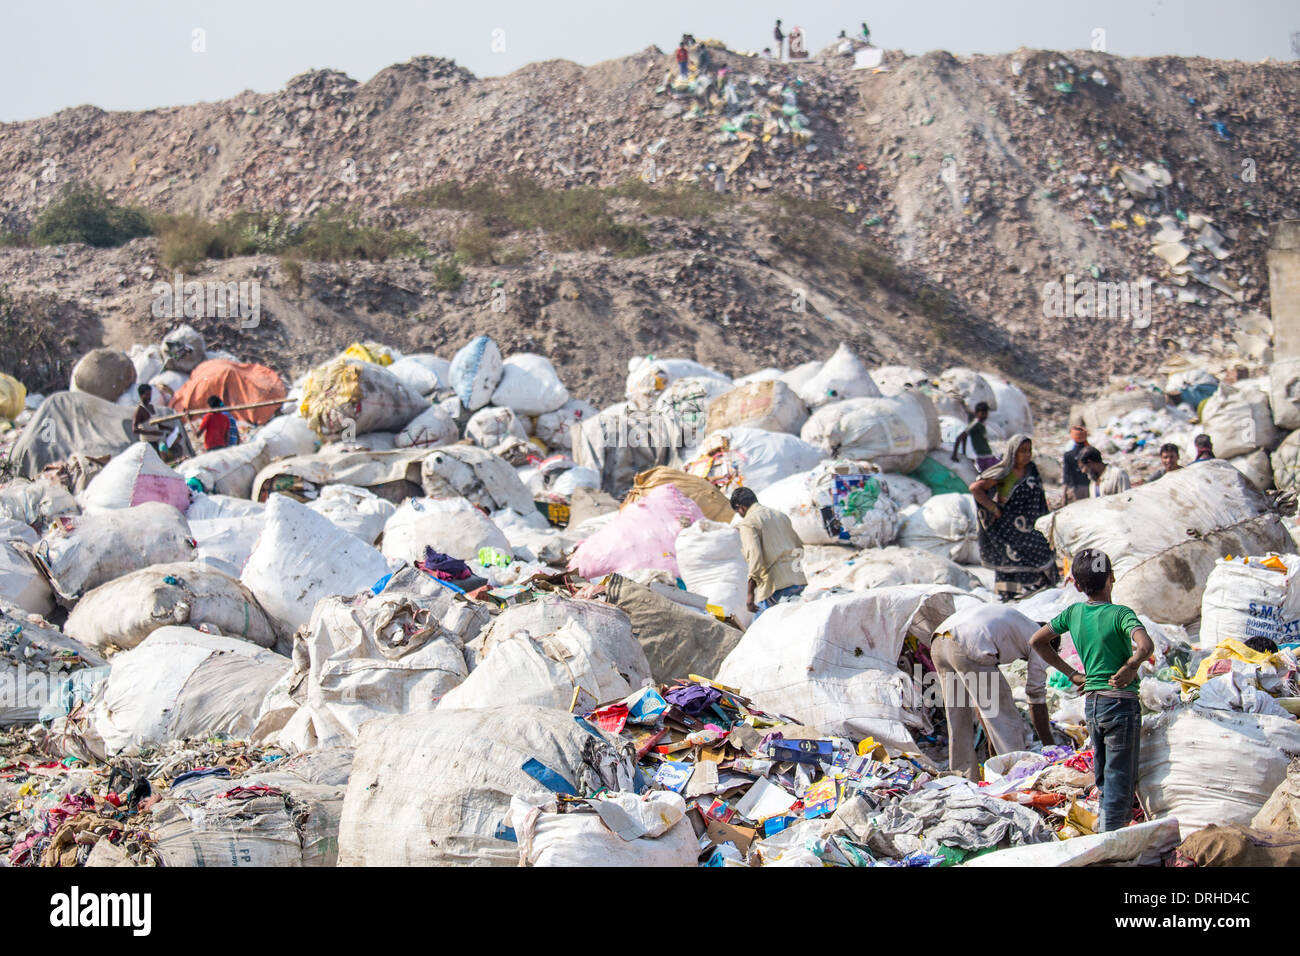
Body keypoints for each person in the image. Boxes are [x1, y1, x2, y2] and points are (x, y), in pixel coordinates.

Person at [1029, 549, 1154, 832]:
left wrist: (1072, 673)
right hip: (1120, 705)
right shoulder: (1121, 614)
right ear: (1112, 578)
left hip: (1094, 706)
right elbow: (1145, 646)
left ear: (1076, 584)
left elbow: (1037, 640)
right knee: (1119, 780)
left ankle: (1104, 835)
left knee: (1104, 777)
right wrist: (1132, 664)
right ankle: (1109, 845)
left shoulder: (1073, 613)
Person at [931, 603, 1056, 780]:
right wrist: (1050, 747)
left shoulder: (1019, 625)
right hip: (970, 641)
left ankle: (963, 777)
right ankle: (1017, 777)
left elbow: (981, 704)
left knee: (957, 717)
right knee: (1006, 718)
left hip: (940, 640)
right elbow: (1036, 698)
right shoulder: (1042, 645)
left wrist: (992, 740)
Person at [970, 434, 1058, 601]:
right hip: (1009, 529)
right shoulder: (1004, 472)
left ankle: (1039, 594)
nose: (1027, 454)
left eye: (1029, 450)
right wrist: (993, 508)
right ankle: (1012, 596)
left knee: (1043, 549)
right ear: (1012, 452)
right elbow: (976, 488)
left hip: (1032, 525)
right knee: (1010, 562)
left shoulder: (1031, 469)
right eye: (1022, 451)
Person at [731, 487, 806, 615]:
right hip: (797, 579)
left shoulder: (748, 523)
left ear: (741, 507)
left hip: (775, 587)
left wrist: (750, 594)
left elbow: (755, 557)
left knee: (760, 631)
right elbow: (798, 546)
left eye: (738, 512)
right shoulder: (780, 515)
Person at [953, 401, 997, 471]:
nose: (985, 414)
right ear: (977, 413)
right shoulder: (975, 424)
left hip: (988, 456)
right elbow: (960, 437)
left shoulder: (980, 424)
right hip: (984, 459)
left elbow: (965, 437)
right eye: (983, 413)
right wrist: (954, 455)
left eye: (986, 412)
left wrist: (964, 453)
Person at [1062, 424, 1092, 503]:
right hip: (1090, 489)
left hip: (1074, 489)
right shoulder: (1091, 452)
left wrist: (1064, 494)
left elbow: (1066, 476)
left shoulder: (1068, 455)